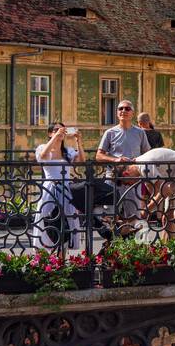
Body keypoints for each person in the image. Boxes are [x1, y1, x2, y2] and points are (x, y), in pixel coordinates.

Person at [96, 100, 152, 236]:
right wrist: (116, 159)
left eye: (127, 109)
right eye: (120, 108)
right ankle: (112, 245)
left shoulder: (140, 133)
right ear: (117, 113)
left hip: (133, 179)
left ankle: (134, 246)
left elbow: (148, 154)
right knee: (110, 214)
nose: (123, 111)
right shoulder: (110, 132)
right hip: (114, 177)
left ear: (132, 113)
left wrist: (136, 161)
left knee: (134, 215)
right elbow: (99, 155)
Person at [32, 121, 88, 249]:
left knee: (68, 218)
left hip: (66, 188)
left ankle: (62, 255)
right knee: (46, 215)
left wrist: (78, 141)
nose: (60, 132)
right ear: (49, 133)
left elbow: (81, 162)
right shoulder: (43, 147)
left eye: (62, 130)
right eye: (56, 129)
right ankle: (44, 252)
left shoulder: (67, 151)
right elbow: (43, 157)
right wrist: (55, 138)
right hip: (50, 187)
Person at [135, 146, 175, 240]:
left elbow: (164, 190)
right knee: (167, 217)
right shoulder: (140, 164)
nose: (130, 184)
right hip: (174, 177)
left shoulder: (143, 165)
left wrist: (147, 209)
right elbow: (160, 191)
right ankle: (167, 249)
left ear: (126, 173)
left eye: (127, 182)